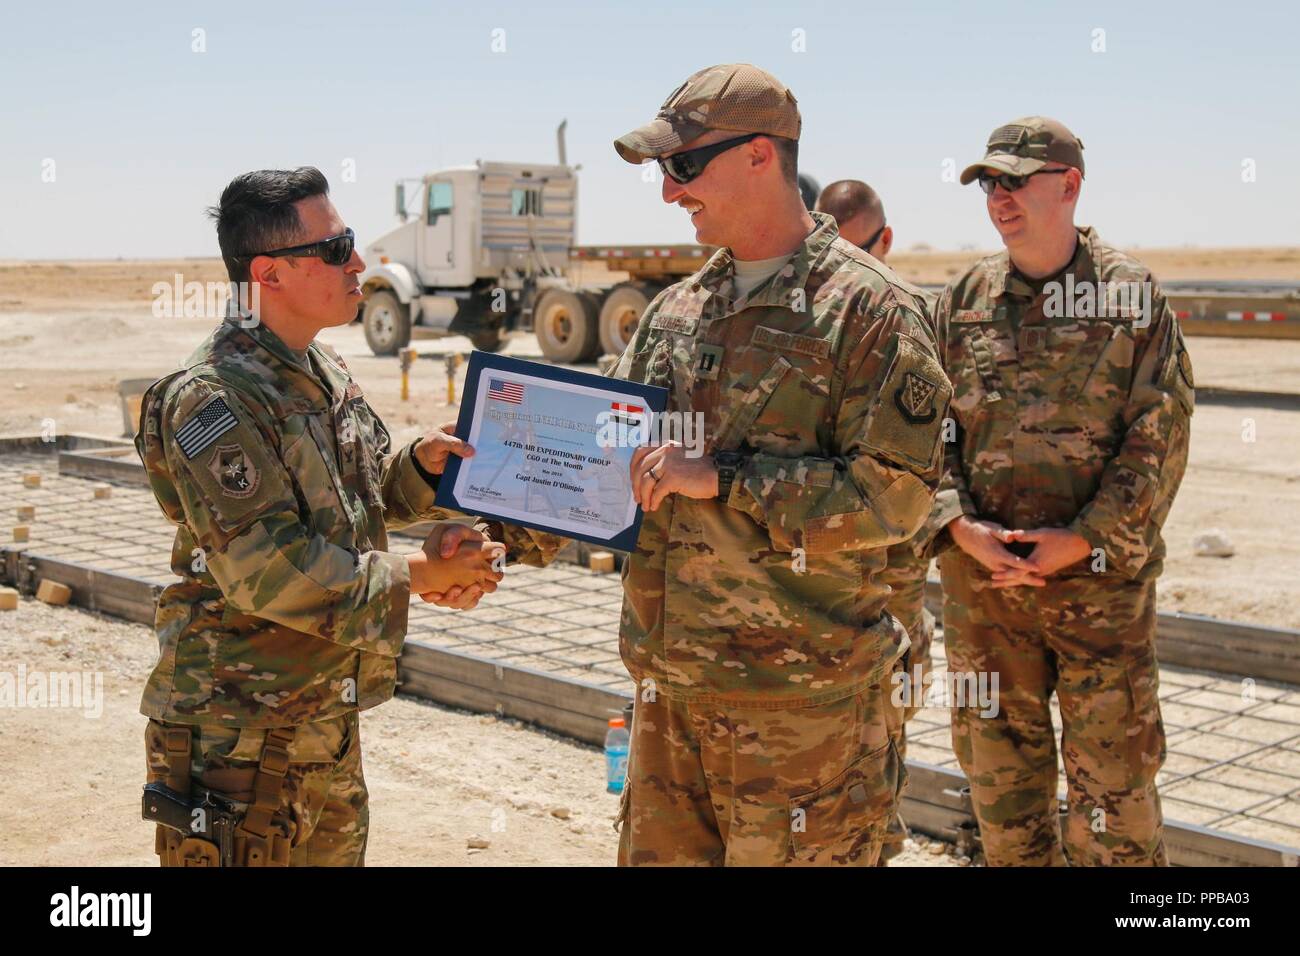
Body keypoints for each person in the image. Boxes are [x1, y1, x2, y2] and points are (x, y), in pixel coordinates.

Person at [584, 62, 949, 866]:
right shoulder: (674, 313)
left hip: (802, 724)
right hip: (668, 706)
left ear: (760, 155)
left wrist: (728, 477)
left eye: (683, 165)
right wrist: (492, 501)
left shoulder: (873, 313)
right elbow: (618, 466)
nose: (670, 192)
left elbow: (895, 504)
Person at [134, 167, 505, 866]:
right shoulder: (212, 399)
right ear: (270, 273)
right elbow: (266, 571)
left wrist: (419, 472)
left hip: (320, 718)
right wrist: (423, 575)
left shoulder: (321, 371)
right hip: (236, 734)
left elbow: (354, 506)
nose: (358, 263)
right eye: (337, 249)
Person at [923, 117, 1194, 866]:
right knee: (1002, 799)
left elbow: (1159, 438)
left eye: (1014, 180)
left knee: (1117, 798)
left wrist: (1085, 538)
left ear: (1069, 186)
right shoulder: (962, 300)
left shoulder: (1129, 298)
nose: (998, 197)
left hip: (1098, 596)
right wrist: (955, 525)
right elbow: (924, 436)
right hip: (984, 596)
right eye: (988, 184)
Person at [816, 178, 936, 864]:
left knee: (872, 778)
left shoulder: (910, 322)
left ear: (883, 242)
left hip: (891, 601)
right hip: (823, 604)